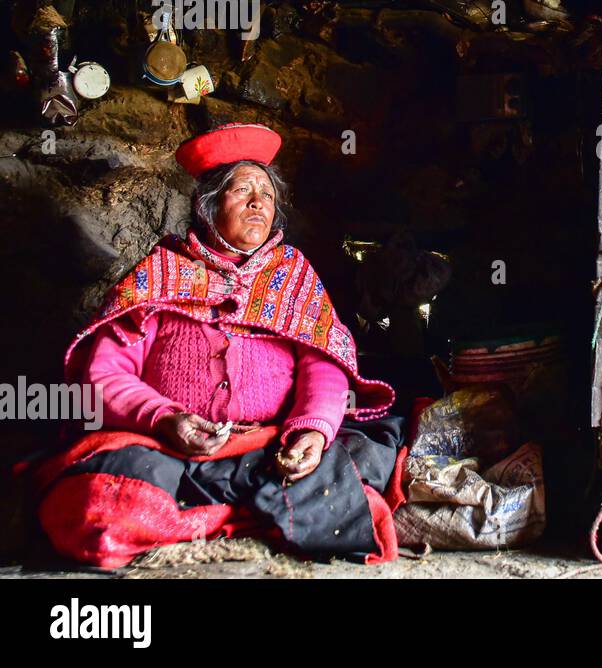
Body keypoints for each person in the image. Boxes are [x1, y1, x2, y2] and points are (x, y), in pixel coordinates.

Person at [31, 123, 402, 569]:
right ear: (207, 207)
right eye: (241, 190)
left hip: (269, 449)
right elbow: (104, 375)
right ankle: (254, 520)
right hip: (168, 451)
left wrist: (312, 430)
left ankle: (192, 522)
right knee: (94, 504)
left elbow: (323, 366)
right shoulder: (161, 273)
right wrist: (164, 417)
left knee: (356, 471)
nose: (257, 202)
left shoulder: (293, 275)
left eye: (266, 194)